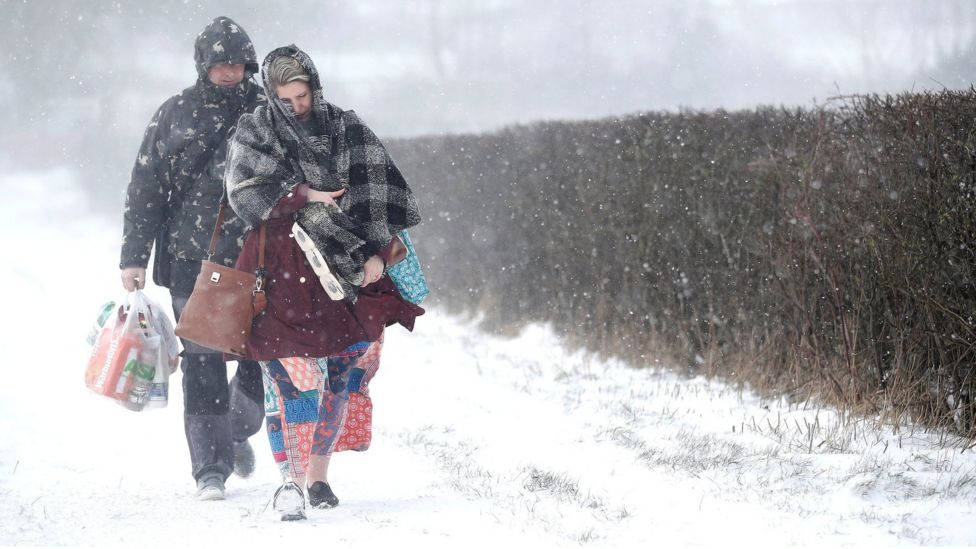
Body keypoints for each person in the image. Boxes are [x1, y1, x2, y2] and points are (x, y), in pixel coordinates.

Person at [224, 44, 424, 521]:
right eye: (287, 98)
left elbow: (380, 192)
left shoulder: (347, 127)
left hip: (347, 268)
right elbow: (242, 192)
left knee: (340, 374)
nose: (298, 106)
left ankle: (319, 475)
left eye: (304, 94)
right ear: (272, 95)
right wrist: (302, 194)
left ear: (316, 86)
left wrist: (378, 252)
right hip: (281, 267)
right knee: (290, 377)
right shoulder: (256, 130)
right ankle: (289, 481)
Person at [118, 16, 268, 501]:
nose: (230, 71)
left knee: (260, 354)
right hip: (191, 259)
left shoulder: (268, 112)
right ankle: (210, 468)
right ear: (204, 65)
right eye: (220, 63)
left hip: (257, 256)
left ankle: (238, 427)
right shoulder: (174, 114)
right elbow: (146, 188)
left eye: (237, 62)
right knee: (203, 361)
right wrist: (133, 255)